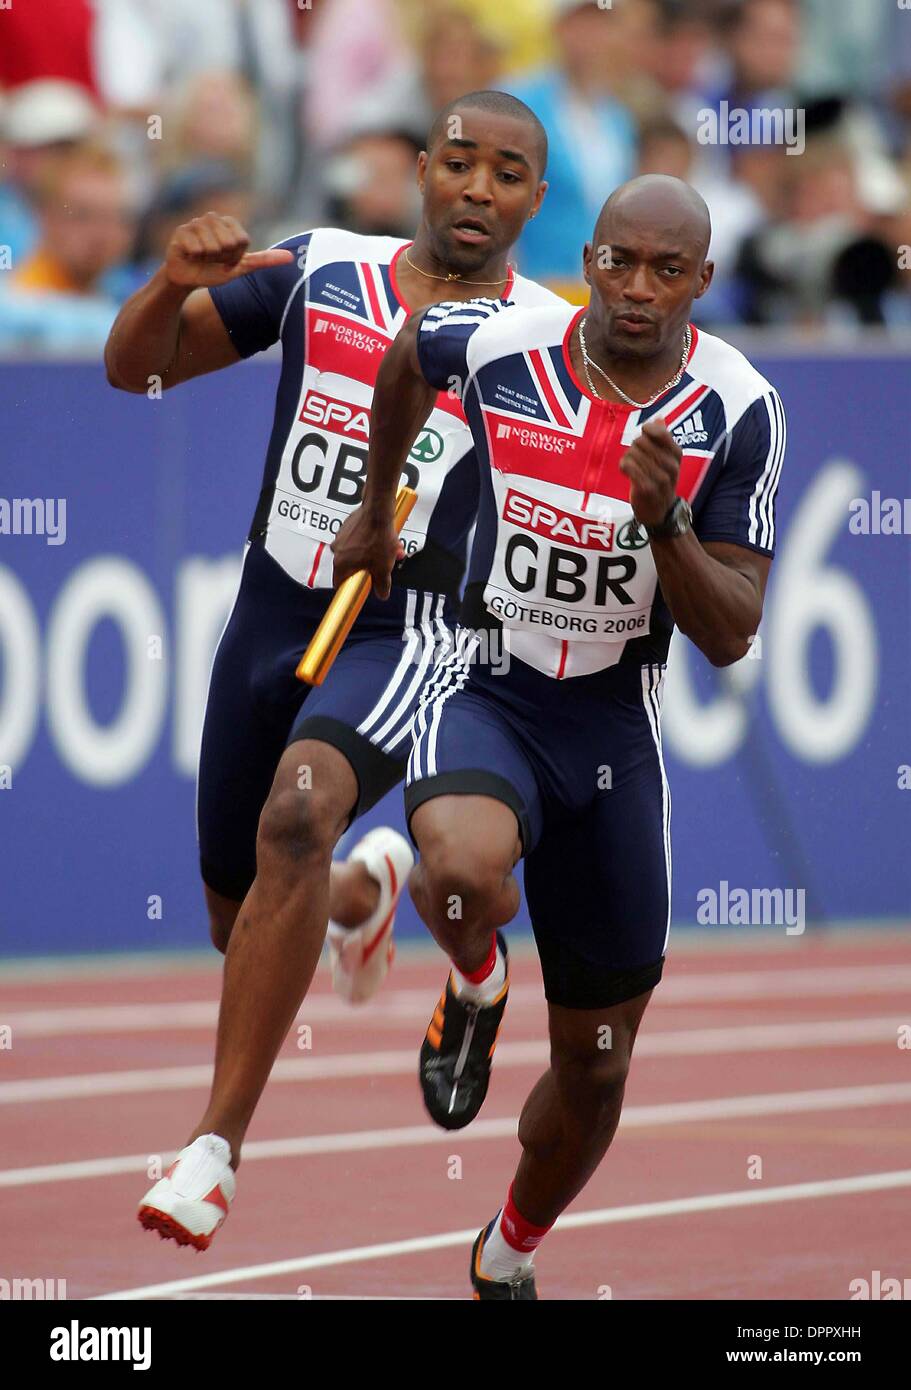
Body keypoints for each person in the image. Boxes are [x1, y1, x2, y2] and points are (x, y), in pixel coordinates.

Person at [104, 89, 563, 1250]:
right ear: (420, 168)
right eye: (459, 163)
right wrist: (167, 282)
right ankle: (364, 900)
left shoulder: (545, 342)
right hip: (272, 610)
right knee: (242, 908)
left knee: (297, 817)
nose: (477, 189)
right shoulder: (322, 271)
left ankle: (211, 1151)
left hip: (403, 626)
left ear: (534, 200)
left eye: (506, 175)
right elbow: (134, 371)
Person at [336, 174, 785, 1298]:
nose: (636, 291)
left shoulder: (738, 407)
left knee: (596, 1066)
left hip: (612, 732)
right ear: (586, 258)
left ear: (702, 282)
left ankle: (505, 1252)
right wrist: (375, 501)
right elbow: (400, 361)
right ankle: (475, 981)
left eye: (665, 271)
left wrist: (667, 522)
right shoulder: (497, 342)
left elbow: (730, 633)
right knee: (461, 868)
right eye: (617, 262)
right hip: (483, 678)